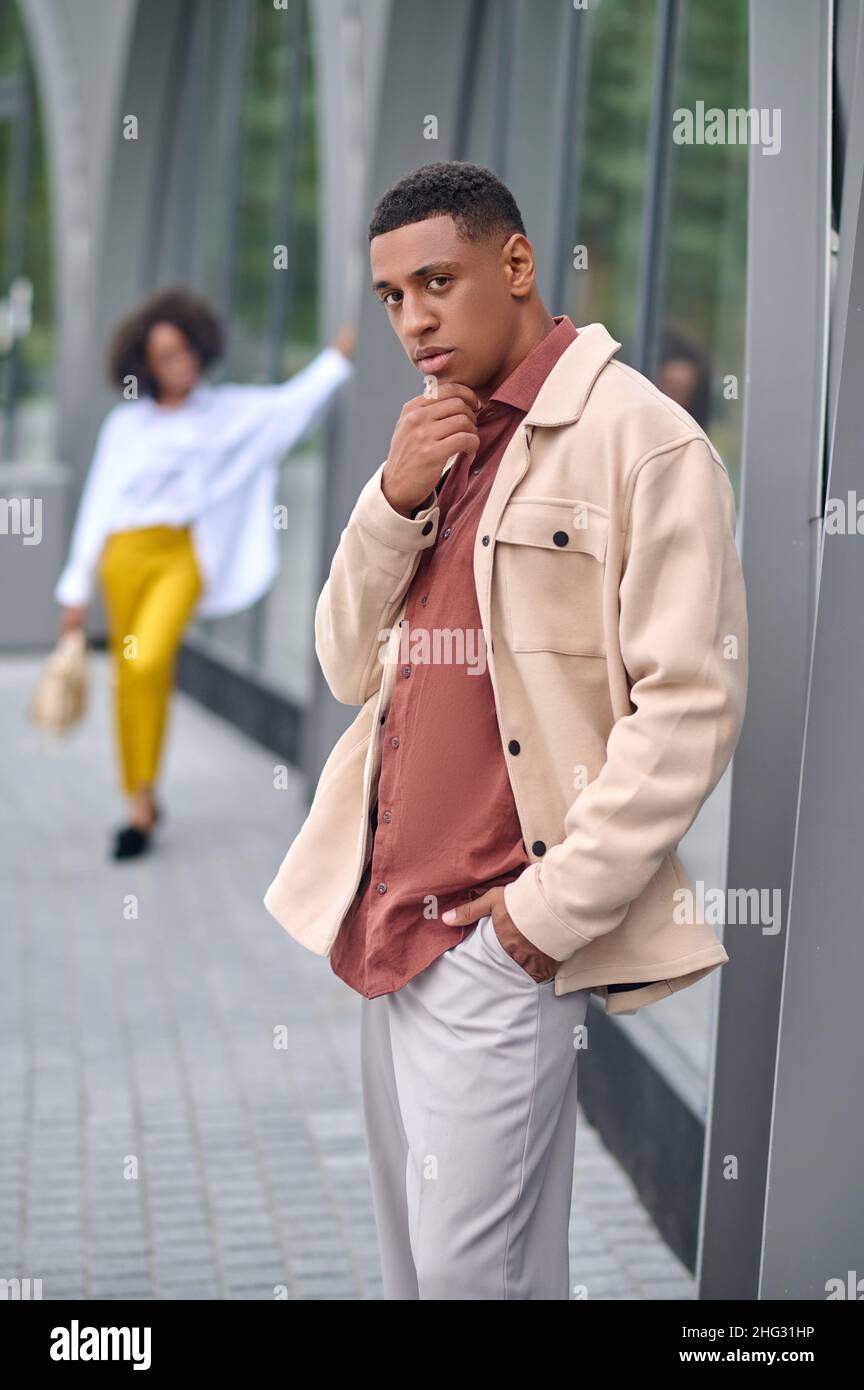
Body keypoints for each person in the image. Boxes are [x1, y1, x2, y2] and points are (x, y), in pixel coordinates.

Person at [263, 161, 749, 1299]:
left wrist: (540, 920)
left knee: (473, 1281)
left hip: (497, 937)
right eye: (390, 297)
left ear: (517, 265)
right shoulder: (431, 441)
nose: (414, 319)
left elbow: (689, 704)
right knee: (428, 1280)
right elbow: (344, 662)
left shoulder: (645, 441)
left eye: (437, 280)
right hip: (387, 932)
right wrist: (391, 498)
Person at [55, 286, 355, 860]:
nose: (181, 363)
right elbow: (98, 503)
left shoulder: (225, 413)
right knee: (133, 678)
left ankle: (141, 798)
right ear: (144, 364)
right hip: (124, 556)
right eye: (167, 356)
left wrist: (338, 358)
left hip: (182, 556)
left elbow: (290, 408)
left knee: (146, 661)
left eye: (187, 350)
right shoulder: (127, 423)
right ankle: (139, 803)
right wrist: (75, 588)